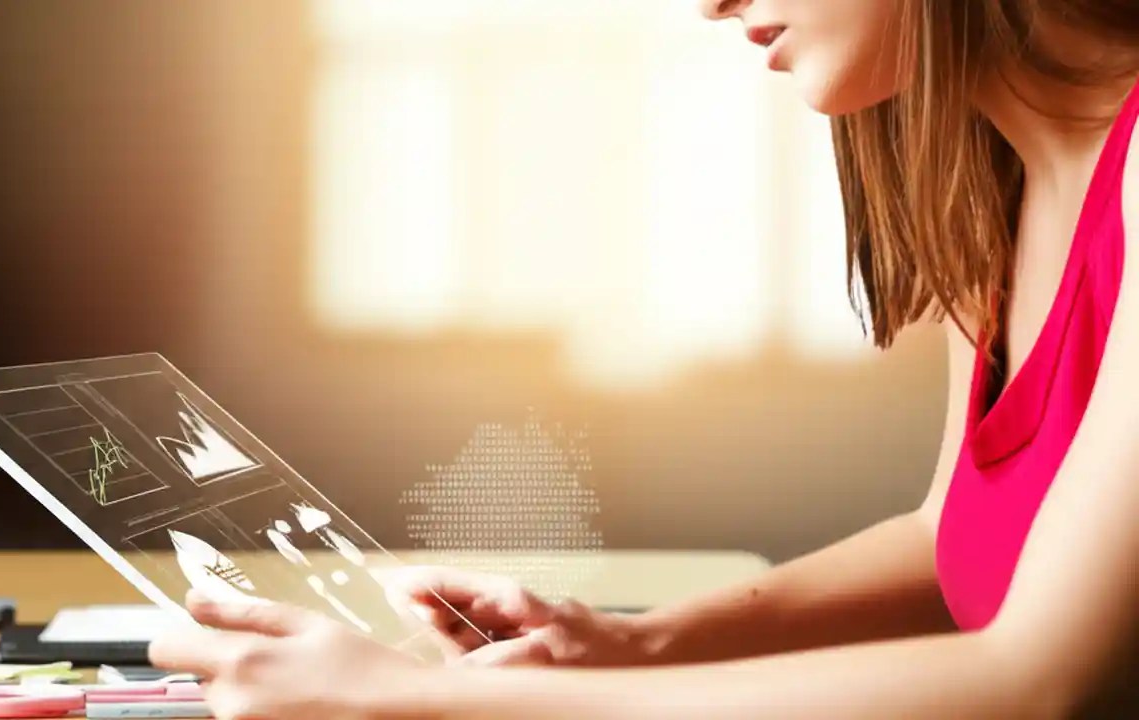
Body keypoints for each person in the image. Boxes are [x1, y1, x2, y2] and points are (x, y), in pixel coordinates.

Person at [150, 0, 1139, 716]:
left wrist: (414, 699)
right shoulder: (989, 188)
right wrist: (628, 641)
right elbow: (951, 542)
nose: (712, 2)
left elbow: (1040, 681)